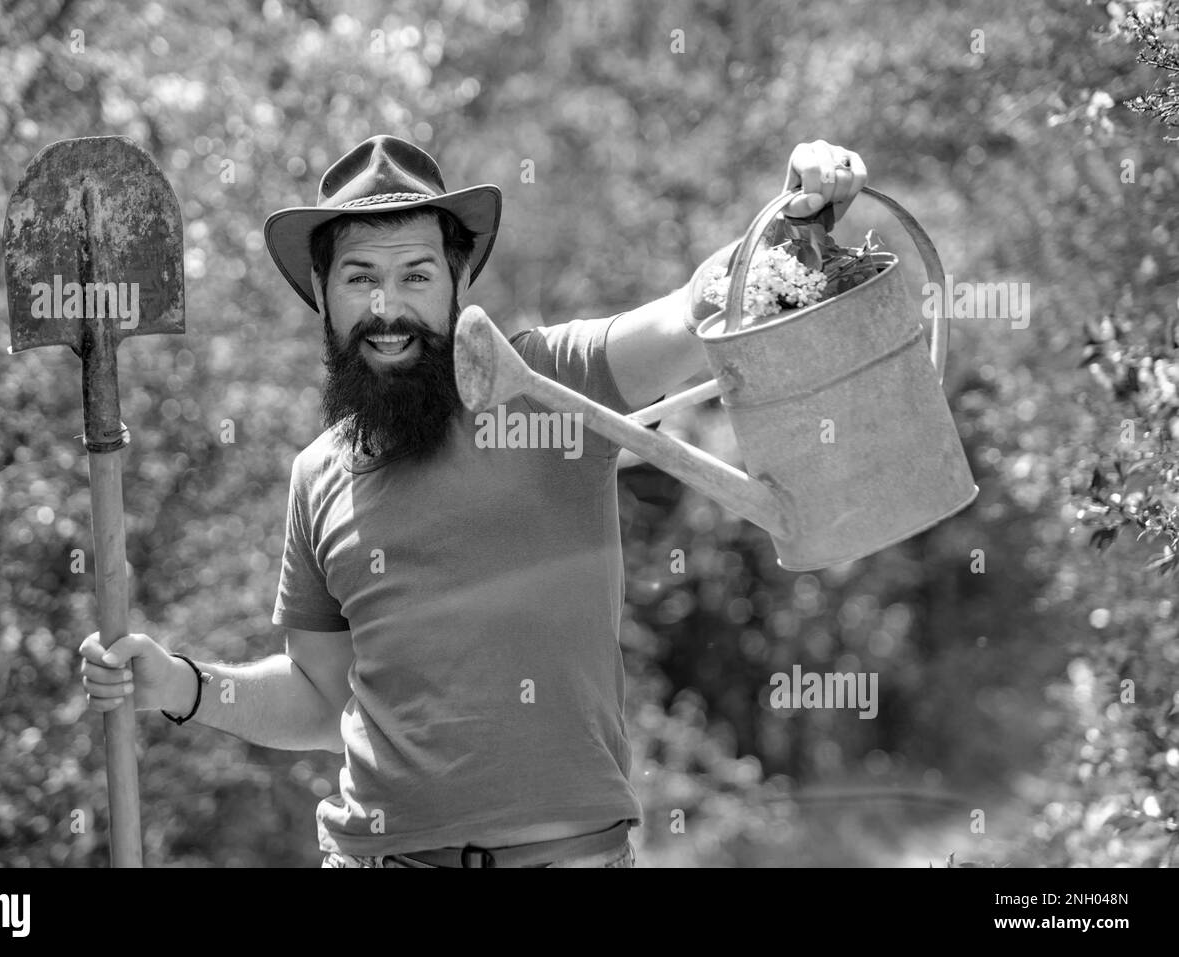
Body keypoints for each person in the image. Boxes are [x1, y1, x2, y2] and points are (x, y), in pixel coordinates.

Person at [79, 134, 867, 867]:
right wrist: (181, 685)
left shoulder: (549, 386)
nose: (388, 308)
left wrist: (791, 223)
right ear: (322, 294)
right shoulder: (317, 474)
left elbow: (691, 312)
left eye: (416, 275)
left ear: (460, 282)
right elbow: (323, 699)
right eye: (361, 277)